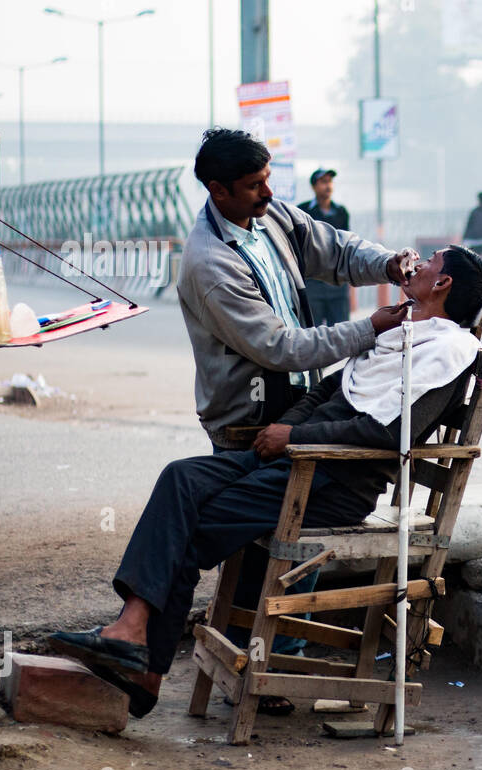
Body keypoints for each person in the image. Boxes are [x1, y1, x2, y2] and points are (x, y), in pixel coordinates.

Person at [48, 246, 482, 718]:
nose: (419, 263)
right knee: (181, 478)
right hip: (294, 459)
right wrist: (283, 432)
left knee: (187, 529)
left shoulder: (449, 352)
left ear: (443, 284)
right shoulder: (400, 333)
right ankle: (134, 636)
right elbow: (329, 389)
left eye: (430, 261)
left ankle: (143, 660)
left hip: (331, 483)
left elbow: (384, 434)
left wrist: (296, 436)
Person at [177, 128, 417, 711]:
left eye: (267, 181)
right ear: (218, 190)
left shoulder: (273, 216)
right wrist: (372, 328)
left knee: (279, 536)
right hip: (247, 415)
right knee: (272, 538)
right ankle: (263, 661)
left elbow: (333, 251)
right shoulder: (209, 264)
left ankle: (267, 660)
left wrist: (386, 261)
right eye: (254, 186)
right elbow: (281, 348)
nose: (267, 194)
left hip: (299, 411)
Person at [297, 168, 353, 326]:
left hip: (337, 280)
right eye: (323, 182)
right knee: (311, 329)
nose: (328, 186)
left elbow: (346, 243)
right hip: (312, 281)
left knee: (341, 329)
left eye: (329, 182)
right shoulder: (303, 211)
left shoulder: (341, 212)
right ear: (314, 186)